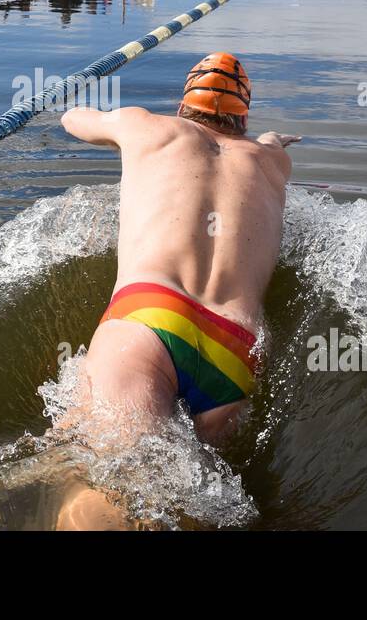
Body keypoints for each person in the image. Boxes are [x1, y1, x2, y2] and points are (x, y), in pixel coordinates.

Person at [54, 53, 300, 529]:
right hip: (236, 348)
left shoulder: (144, 126)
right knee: (193, 509)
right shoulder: (273, 162)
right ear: (244, 117)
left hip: (150, 317)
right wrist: (271, 140)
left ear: (183, 103)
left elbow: (74, 119)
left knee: (110, 488)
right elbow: (265, 143)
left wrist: (96, 115)